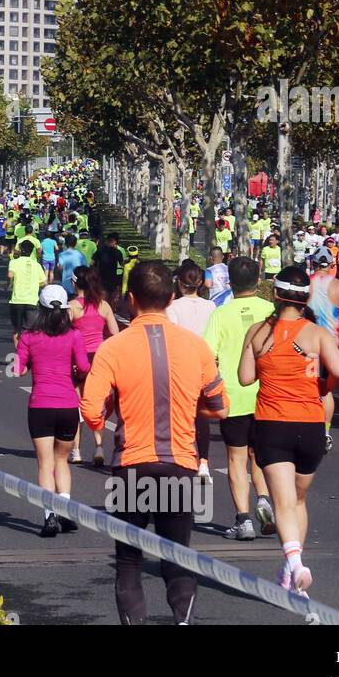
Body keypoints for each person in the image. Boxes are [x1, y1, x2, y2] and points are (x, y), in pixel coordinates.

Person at [81, 262, 228, 624]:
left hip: (131, 465)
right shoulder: (197, 347)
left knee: (129, 562)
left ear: (130, 300)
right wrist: (192, 412)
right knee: (178, 557)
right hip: (181, 465)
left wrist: (108, 416)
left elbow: (90, 410)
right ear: (172, 297)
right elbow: (219, 407)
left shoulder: (113, 348)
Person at [238, 265, 339, 595]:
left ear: (275, 293)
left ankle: (296, 564)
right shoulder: (316, 334)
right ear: (306, 297)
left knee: (282, 503)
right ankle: (291, 572)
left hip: (273, 424)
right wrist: (323, 384)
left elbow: (244, 378)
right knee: (298, 500)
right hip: (311, 425)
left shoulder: (258, 332)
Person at [202, 257, 276, 540]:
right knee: (259, 455)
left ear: (229, 282)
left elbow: (208, 354)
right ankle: (264, 499)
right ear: (259, 280)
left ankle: (243, 520)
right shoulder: (271, 311)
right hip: (266, 393)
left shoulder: (221, 313)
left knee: (236, 457)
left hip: (232, 394)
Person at [15, 284, 90, 537]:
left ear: (41, 308)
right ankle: (65, 510)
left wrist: (19, 351)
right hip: (68, 404)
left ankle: (49, 516)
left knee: (45, 463)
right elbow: (83, 366)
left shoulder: (29, 336)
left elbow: (18, 370)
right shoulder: (74, 336)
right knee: (62, 461)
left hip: (40, 405)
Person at [166, 262, 217, 482]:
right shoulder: (211, 306)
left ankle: (183, 458)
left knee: (179, 415)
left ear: (179, 282)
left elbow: (172, 337)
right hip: (207, 365)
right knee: (201, 415)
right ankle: (204, 462)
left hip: (181, 366)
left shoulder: (173, 307)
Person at [307, 247, 339, 451]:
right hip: (332, 343)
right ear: (331, 264)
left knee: (308, 386)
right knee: (326, 390)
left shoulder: (307, 282)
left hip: (309, 343)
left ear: (313, 263)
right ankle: (325, 432)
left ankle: (308, 426)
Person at [68, 266, 119, 467]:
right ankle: (99, 447)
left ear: (74, 283)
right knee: (97, 405)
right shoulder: (103, 306)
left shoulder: (71, 306)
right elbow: (115, 334)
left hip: (77, 359)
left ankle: (76, 450)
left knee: (76, 406)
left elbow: (63, 334)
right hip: (99, 359)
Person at [7, 240, 47, 347]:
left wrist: (9, 284)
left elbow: (10, 275)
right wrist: (34, 285)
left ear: (20, 250)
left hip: (16, 301)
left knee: (17, 330)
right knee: (30, 331)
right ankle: (27, 355)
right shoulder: (37, 265)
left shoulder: (14, 262)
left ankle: (19, 357)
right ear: (32, 251)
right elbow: (44, 282)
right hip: (32, 301)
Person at [92, 232, 124, 303]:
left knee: (103, 295)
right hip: (113, 276)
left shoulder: (100, 250)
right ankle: (111, 310)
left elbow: (92, 263)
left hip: (101, 276)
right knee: (112, 295)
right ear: (114, 241)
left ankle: (103, 309)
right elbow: (122, 264)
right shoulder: (117, 252)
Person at [56, 234, 85, 298]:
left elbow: (60, 267)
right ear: (76, 243)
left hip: (66, 284)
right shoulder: (81, 255)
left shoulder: (62, 254)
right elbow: (85, 268)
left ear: (65, 243)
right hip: (79, 285)